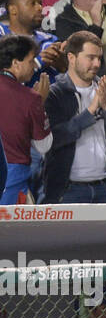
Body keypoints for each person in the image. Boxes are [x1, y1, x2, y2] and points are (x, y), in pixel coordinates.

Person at [44, 31, 106, 204]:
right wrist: (90, 112)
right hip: (68, 190)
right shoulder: (55, 93)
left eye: (99, 58)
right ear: (71, 57)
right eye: (90, 58)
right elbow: (53, 139)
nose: (96, 64)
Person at [0, 35, 52, 205]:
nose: (34, 67)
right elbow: (44, 145)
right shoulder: (30, 98)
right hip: (12, 177)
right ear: (16, 63)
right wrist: (39, 104)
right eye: (31, 61)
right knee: (10, 230)